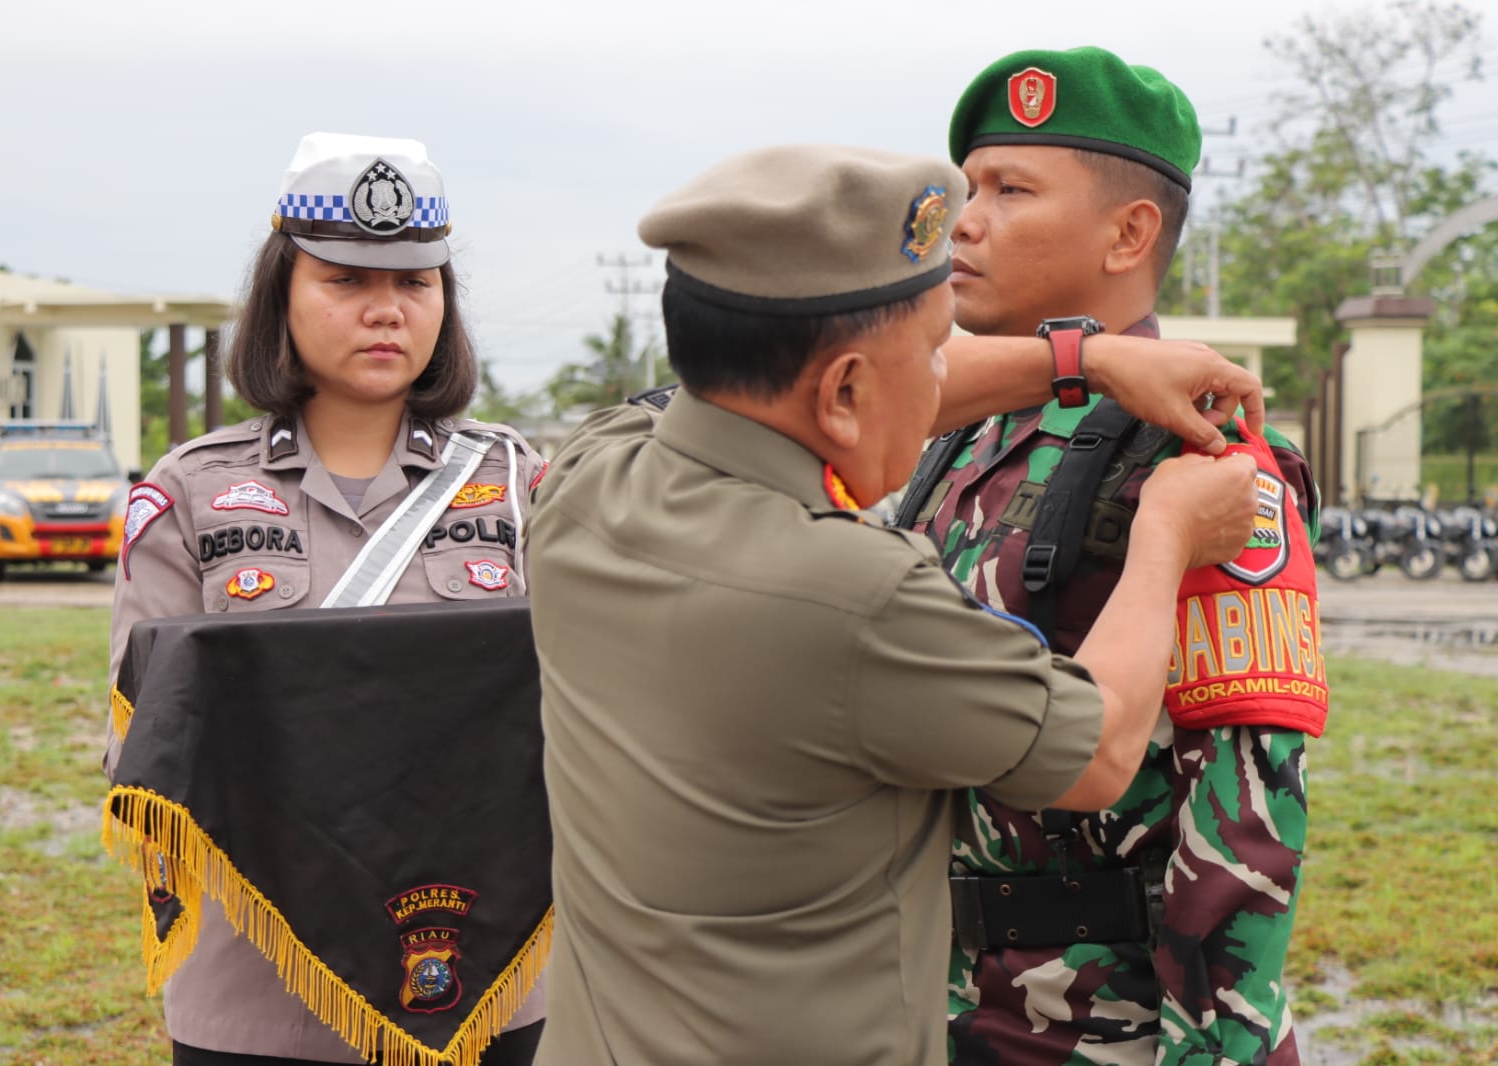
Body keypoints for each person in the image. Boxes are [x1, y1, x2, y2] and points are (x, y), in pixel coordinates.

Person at [525, 143, 1263, 1066]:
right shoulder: (854, 595)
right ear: (843, 391)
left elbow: (806, 389)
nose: (942, 388)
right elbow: (1104, 749)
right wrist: (1167, 536)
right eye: (931, 351)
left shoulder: (588, 476)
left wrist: (1090, 362)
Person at [907, 47, 1326, 1065]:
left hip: (1104, 1028)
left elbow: (1241, 822)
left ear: (1128, 231)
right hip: (938, 1005)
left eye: (1010, 191)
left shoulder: (1205, 456)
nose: (964, 220)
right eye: (967, 189)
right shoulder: (964, 434)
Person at [107, 132, 547, 1066]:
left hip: (486, 979)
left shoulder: (516, 483)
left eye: (415, 283)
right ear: (282, 297)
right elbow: (147, 743)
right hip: (261, 994)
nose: (385, 311)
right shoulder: (190, 491)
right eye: (345, 281)